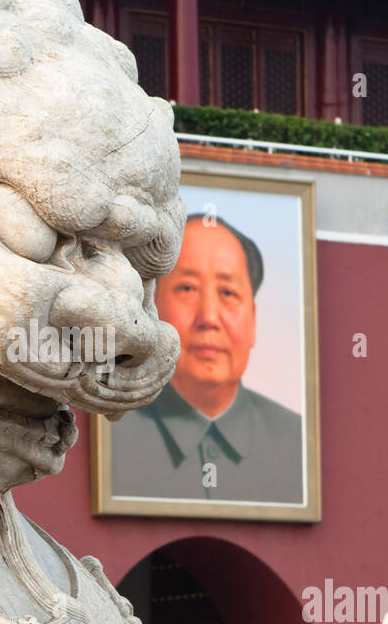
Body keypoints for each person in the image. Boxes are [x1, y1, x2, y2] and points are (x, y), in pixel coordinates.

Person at [110, 214, 304, 503]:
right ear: (152, 304)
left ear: (252, 319)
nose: (209, 318)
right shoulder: (115, 430)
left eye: (228, 292)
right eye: (187, 288)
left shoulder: (295, 442)